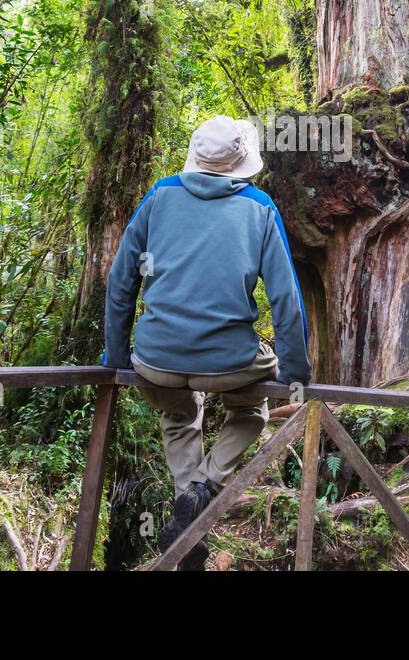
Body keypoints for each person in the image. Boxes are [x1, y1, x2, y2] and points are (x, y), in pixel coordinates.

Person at [102, 115, 311, 569]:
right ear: (241, 162)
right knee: (251, 409)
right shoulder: (260, 208)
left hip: (155, 358)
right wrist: (296, 372)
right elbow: (285, 299)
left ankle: (187, 517)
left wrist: (117, 357)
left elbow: (122, 280)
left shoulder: (159, 196)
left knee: (178, 413)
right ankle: (204, 488)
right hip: (230, 361)